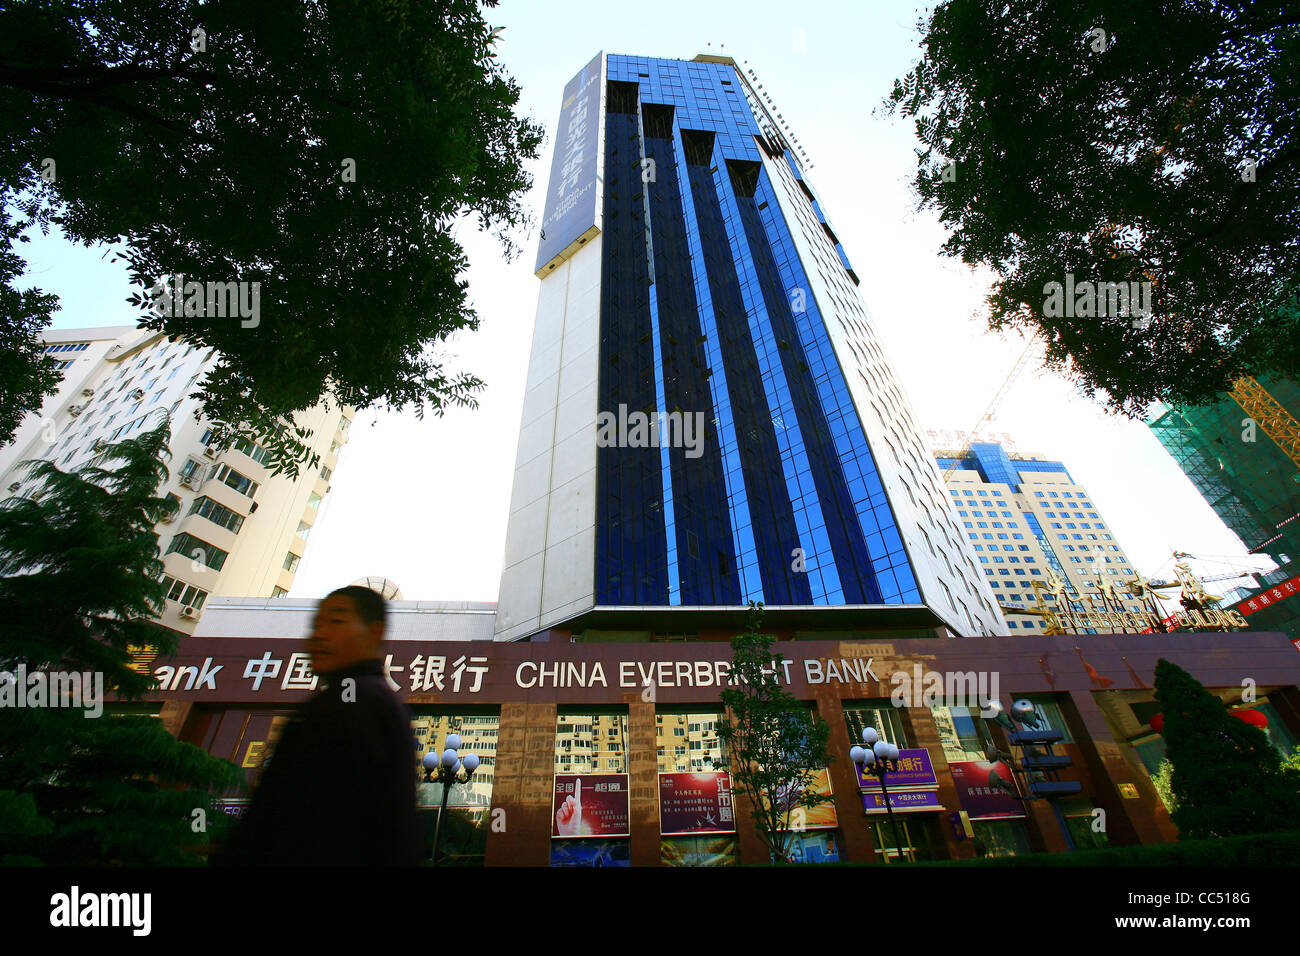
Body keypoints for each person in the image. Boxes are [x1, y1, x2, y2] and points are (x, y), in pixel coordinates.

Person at [210, 586, 421, 865]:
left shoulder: (359, 703)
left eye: (336, 621)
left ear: (375, 632)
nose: (319, 634)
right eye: (316, 624)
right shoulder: (352, 699)